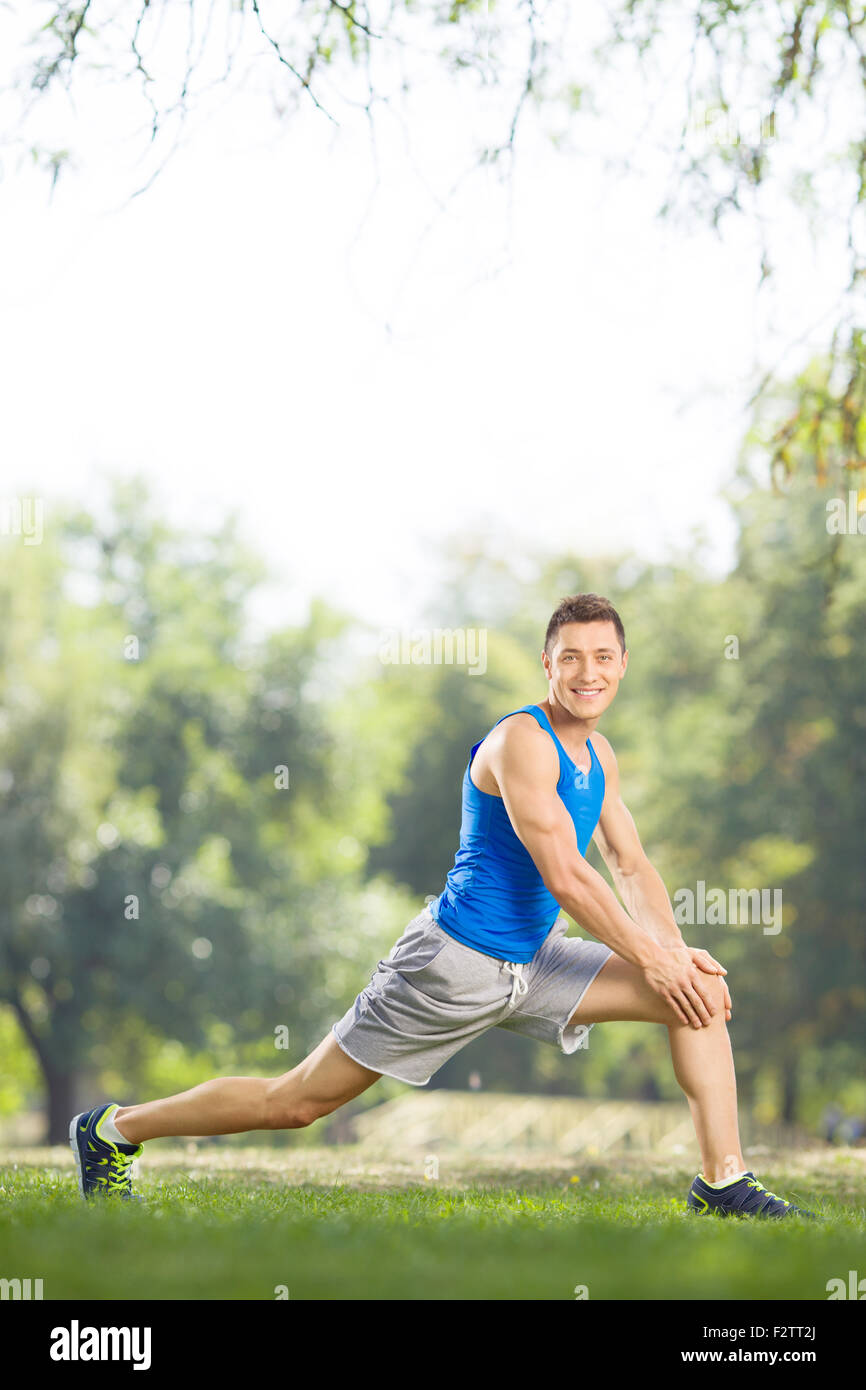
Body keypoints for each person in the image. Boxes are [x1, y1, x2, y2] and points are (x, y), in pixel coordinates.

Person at [70, 593, 815, 1219]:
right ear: (547, 665)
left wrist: (675, 955)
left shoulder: (600, 755)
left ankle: (723, 1181)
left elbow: (630, 865)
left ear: (622, 665)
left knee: (702, 995)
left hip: (536, 959)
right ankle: (115, 1129)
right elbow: (567, 876)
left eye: (604, 657)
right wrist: (652, 957)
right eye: (571, 657)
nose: (589, 672)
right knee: (295, 1102)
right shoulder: (522, 742)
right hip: (454, 963)